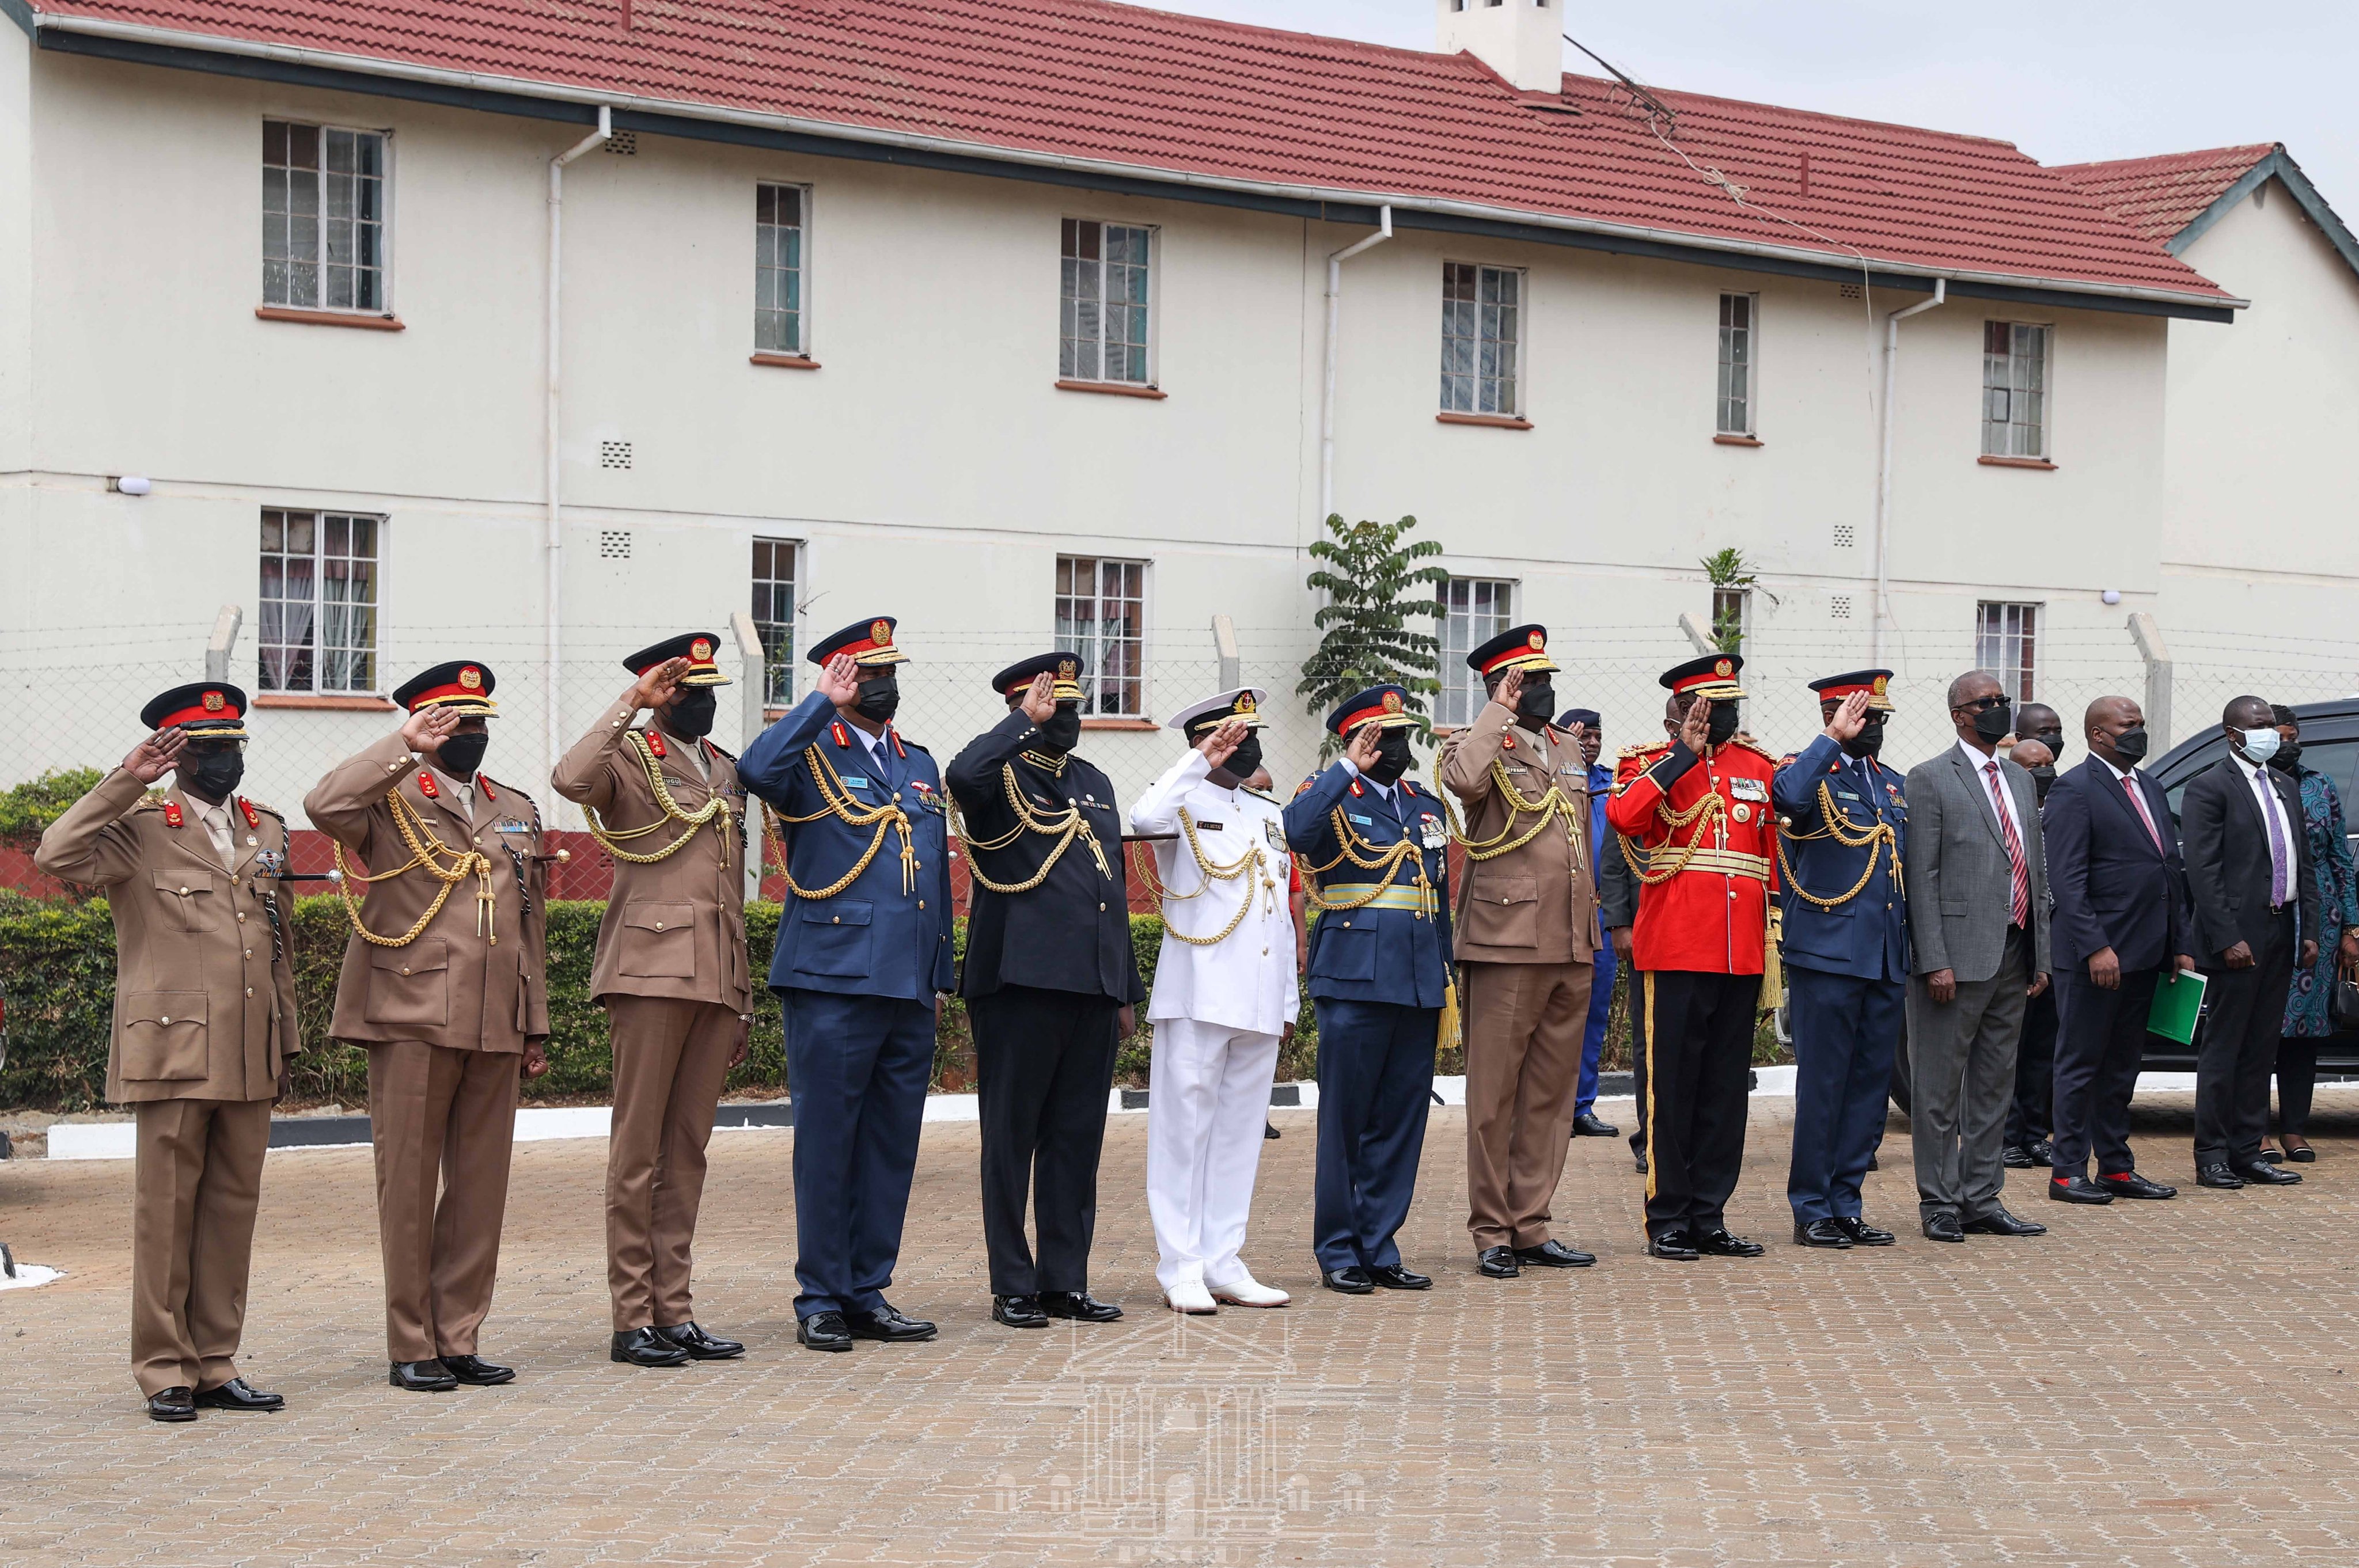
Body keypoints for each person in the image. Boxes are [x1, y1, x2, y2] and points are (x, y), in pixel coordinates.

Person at [35, 684, 301, 1422]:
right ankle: (162, 1369)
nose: (225, 760)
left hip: (250, 1049)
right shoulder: (140, 827)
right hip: (174, 1048)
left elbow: (279, 943)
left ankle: (216, 1361)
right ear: (177, 755)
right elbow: (57, 853)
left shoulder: (266, 828)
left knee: (230, 1211)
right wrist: (129, 777)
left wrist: (288, 1035)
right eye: (208, 748)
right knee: (167, 1212)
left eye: (233, 746)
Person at [305, 660, 552, 1392]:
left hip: (494, 1016)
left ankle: (459, 1332)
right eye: (453, 723)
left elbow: (528, 922)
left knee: (480, 1186)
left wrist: (533, 1020)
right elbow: (323, 805)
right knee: (408, 1184)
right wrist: (402, 747)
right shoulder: (388, 797)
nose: (470, 734)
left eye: (478, 723)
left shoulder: (513, 807)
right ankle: (410, 1340)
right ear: (423, 724)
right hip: (412, 1013)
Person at [737, 617, 953, 1352]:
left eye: (891, 671)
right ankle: (820, 1294)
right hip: (832, 977)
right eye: (868, 673)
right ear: (840, 677)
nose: (884, 685)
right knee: (829, 1142)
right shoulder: (810, 750)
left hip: (906, 982)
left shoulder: (916, 761)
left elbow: (933, 875)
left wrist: (939, 971)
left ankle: (868, 1288)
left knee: (891, 1143)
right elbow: (756, 771)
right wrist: (817, 704)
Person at [552, 633, 752, 1368]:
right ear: (660, 693)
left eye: (706, 690)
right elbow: (571, 780)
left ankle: (676, 1310)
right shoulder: (633, 756)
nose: (699, 701)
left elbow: (730, 889)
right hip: (648, 968)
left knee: (686, 1152)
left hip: (714, 975)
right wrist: (630, 706)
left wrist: (744, 996)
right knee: (639, 1150)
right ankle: (631, 1315)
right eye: (683, 689)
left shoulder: (725, 769)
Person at [948, 654, 1142, 1329]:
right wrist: (1016, 727)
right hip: (1020, 982)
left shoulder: (1093, 781)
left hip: (1090, 983)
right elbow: (960, 774)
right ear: (1021, 705)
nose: (1067, 717)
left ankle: (1064, 1279)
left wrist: (1124, 986)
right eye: (1051, 704)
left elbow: (1111, 887)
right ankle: (1012, 1282)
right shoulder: (996, 774)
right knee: (1012, 1137)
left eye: (1071, 704)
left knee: (1075, 1139)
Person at [1128, 688, 1296, 1312]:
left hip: (1255, 996)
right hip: (1198, 993)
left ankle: (1224, 1258)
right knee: (1183, 1133)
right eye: (1232, 736)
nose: (1248, 744)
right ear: (1204, 740)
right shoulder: (1180, 798)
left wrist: (1285, 998)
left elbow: (1276, 911)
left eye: (1251, 734)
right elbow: (1144, 818)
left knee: (1238, 1135)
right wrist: (1197, 761)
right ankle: (1181, 1264)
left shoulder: (1265, 811)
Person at [1605, 654, 1777, 1262]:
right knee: (1671, 1088)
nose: (1725, 714)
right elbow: (1625, 816)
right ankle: (1669, 1216)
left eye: (1731, 703)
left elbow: (1769, 857)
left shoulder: (1757, 766)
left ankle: (1710, 1213)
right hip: (1677, 947)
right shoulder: (1649, 763)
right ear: (1687, 706)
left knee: (1724, 1091)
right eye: (1712, 704)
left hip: (1739, 952)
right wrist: (1683, 752)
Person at [1283, 685, 1452, 1294]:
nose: (1394, 748)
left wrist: (1446, 974)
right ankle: (1337, 1249)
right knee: (1346, 1120)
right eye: (1380, 738)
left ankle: (1379, 1243)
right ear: (1355, 740)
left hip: (1414, 982)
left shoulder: (1423, 804)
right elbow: (1296, 833)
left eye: (1401, 736)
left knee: (1400, 1121)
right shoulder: (1327, 794)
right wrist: (1345, 766)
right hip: (1353, 980)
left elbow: (1438, 900)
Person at [1441, 626, 1598, 1280]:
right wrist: (1497, 712)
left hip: (1568, 939)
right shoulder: (1474, 742)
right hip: (1506, 941)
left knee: (1549, 1095)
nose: (1545, 688)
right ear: (1501, 685)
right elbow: (1465, 783)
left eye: (1545, 677)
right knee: (1494, 1095)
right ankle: (1491, 1229)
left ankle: (1531, 1223)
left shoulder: (1564, 746)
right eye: (1529, 679)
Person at [1901, 670, 2052, 1243]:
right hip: (1955, 960)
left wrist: (2042, 955)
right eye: (1986, 702)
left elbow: (2032, 869)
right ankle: (1938, 1200)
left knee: (1993, 1085)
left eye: (2001, 700)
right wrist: (1932, 958)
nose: (1998, 708)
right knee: (1938, 1089)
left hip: (2013, 952)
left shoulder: (2017, 778)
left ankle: (1981, 1197)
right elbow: (1922, 876)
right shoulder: (1930, 778)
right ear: (1960, 714)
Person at [1773, 671, 1907, 1251]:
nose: (1874, 728)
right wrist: (1829, 738)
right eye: (1864, 717)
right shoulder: (1808, 771)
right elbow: (1787, 801)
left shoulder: (1892, 785)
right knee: (1825, 1085)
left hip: (1882, 956)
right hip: (1827, 955)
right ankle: (1811, 1207)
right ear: (1838, 714)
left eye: (1880, 719)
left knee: (1869, 1088)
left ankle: (1846, 1202)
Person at [2041, 697, 2192, 1205]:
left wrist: (2178, 943)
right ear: (2098, 734)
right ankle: (2067, 1171)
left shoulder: (2148, 785)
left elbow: (2167, 867)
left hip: (2146, 953)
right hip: (2095, 957)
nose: (2139, 732)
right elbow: (2067, 879)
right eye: (2129, 725)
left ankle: (2116, 1167)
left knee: (2123, 1066)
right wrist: (2095, 946)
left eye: (2142, 724)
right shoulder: (2074, 789)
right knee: (2080, 1063)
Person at [2180, 696, 2318, 1189]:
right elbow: (2203, 871)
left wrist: (2310, 930)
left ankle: (2247, 1149)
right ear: (2232, 734)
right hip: (2237, 938)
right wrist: (2226, 936)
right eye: (2259, 726)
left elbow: (2303, 861)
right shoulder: (2209, 787)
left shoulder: (2284, 785)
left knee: (2262, 1048)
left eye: (2274, 727)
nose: (2271, 734)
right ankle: (2212, 1154)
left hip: (2283, 930)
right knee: (2225, 1048)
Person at [2269, 705, 2357, 1162]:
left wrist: (2350, 926)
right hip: (2268, 919)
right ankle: (2254, 1130)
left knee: (2305, 1030)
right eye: (2278, 736)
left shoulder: (2320, 784)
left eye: (2293, 735)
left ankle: (2294, 1129)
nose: (2288, 744)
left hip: (2319, 923)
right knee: (2261, 1029)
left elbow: (2342, 858)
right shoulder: (2252, 787)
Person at [1558, 706, 1621, 1142]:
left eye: (1597, 736)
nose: (1592, 742)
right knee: (1554, 1015)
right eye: (1583, 735)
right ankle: (1550, 1107)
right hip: (1561, 913)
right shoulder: (1553, 780)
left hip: (1602, 914)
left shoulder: (1611, 786)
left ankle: (1582, 1106)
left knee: (1593, 1016)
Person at [2000, 738, 2060, 1169]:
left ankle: (2035, 1133)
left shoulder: (2061, 810)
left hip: (2053, 944)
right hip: (2013, 941)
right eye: (2033, 765)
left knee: (2043, 1047)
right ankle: (2006, 1136)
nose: (2043, 771)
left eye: (2049, 763)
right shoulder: (2007, 813)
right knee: (2007, 1049)